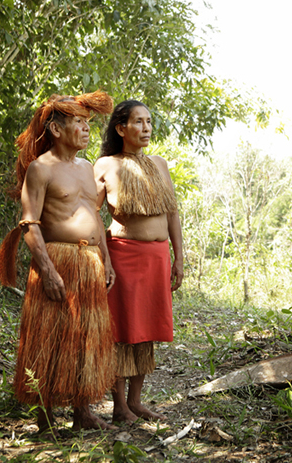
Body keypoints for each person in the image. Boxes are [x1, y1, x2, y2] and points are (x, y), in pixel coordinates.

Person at [0, 91, 117, 433]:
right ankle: (45, 418)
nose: (85, 129)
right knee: (49, 335)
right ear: (56, 129)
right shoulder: (41, 168)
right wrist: (46, 269)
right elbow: (30, 223)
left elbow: (94, 218)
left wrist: (105, 261)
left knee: (85, 336)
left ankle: (83, 414)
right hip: (57, 259)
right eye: (78, 122)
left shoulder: (87, 167)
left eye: (86, 123)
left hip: (89, 261)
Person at [93, 100, 184, 423]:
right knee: (121, 329)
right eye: (138, 122)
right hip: (123, 255)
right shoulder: (106, 165)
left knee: (146, 329)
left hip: (157, 257)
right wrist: (103, 258)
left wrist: (179, 256)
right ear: (121, 128)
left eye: (148, 122)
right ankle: (119, 406)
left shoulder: (159, 164)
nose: (146, 128)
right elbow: (90, 213)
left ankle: (136, 401)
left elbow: (171, 211)